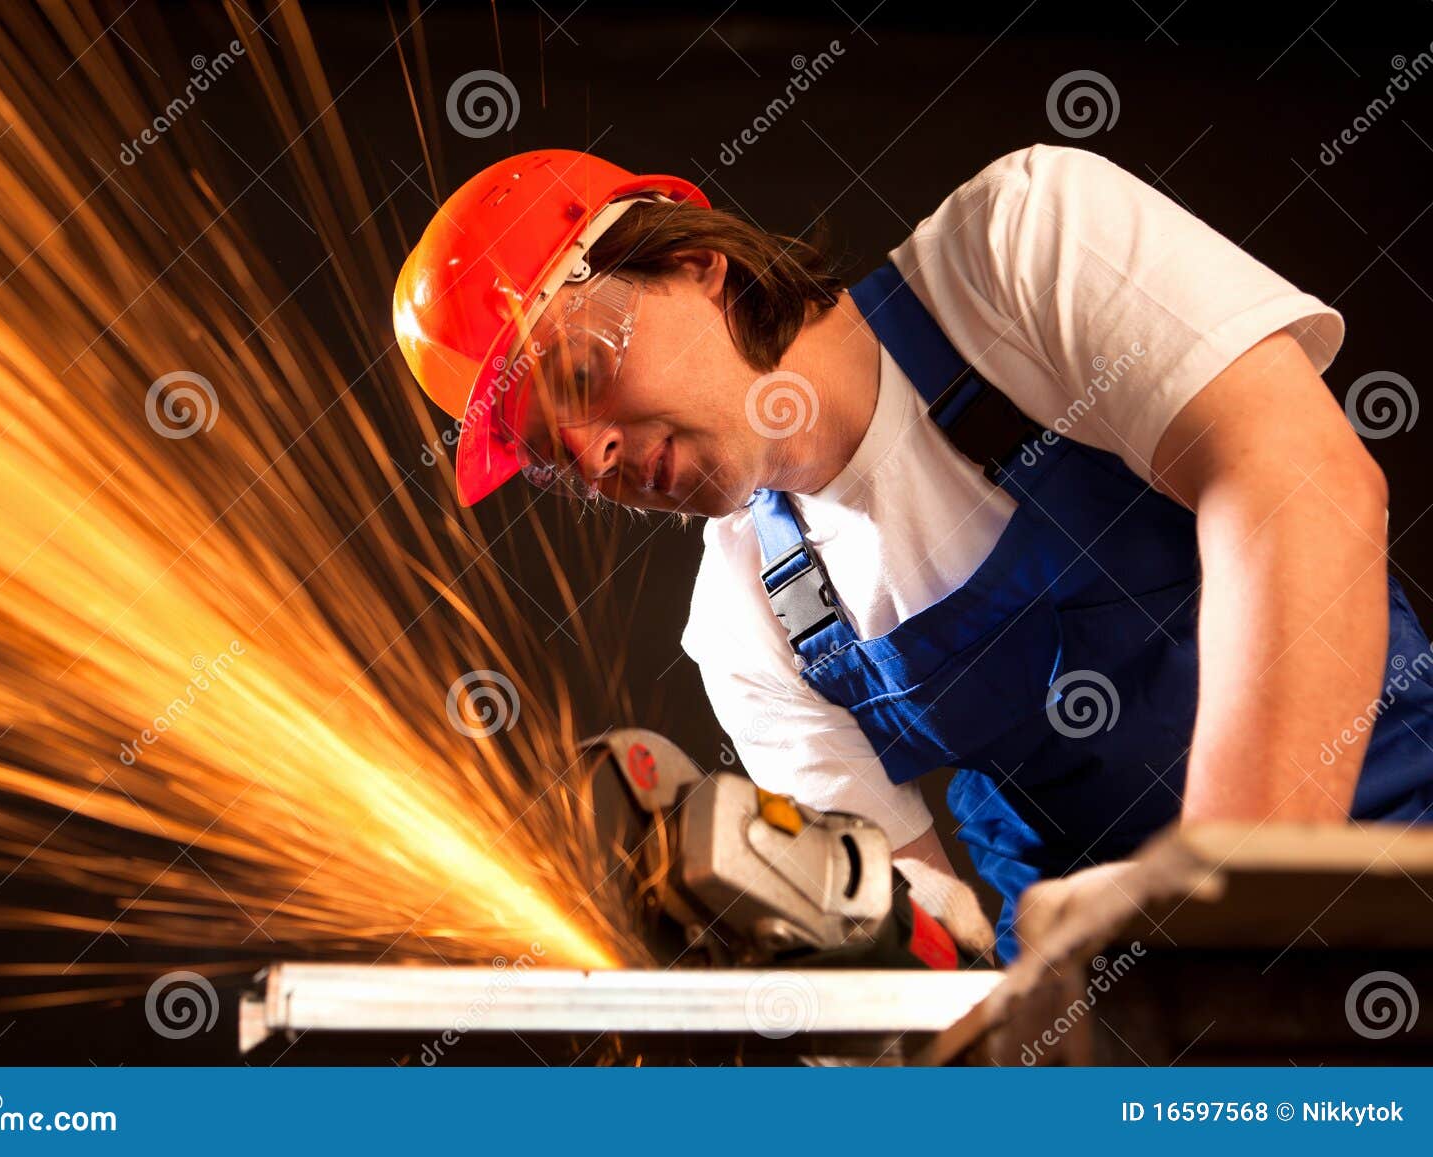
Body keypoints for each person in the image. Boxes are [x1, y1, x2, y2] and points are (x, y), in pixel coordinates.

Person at [393, 145, 1433, 960]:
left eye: (575, 374)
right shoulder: (746, 625)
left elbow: (1304, 487)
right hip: (1113, 1035)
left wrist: (1225, 918)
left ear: (694, 264)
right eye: (550, 456)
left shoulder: (1021, 246)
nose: (592, 452)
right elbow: (906, 936)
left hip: (1399, 880)